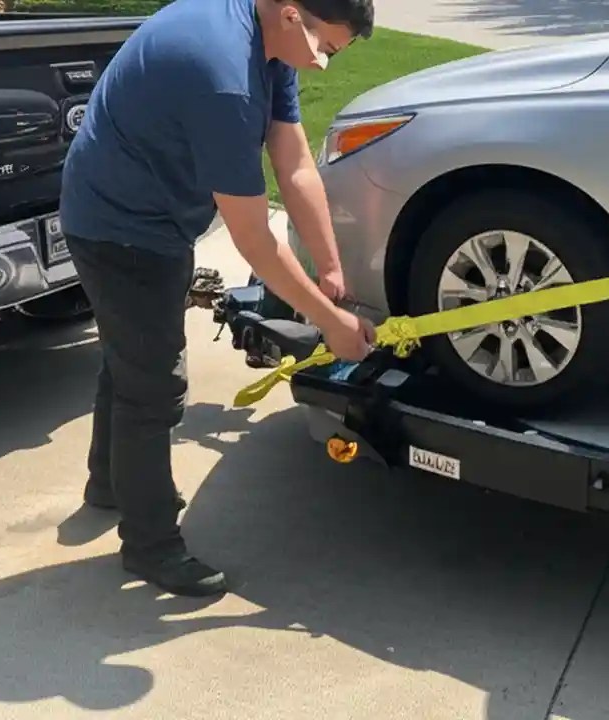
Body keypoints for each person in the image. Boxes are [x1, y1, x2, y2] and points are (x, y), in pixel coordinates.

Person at [59, 0, 377, 597]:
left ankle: (110, 485)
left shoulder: (268, 38)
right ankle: (150, 546)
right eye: (327, 50)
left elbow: (294, 159)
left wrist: (332, 268)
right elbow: (254, 239)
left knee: (129, 360)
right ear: (293, 15)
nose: (325, 66)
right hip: (120, 227)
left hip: (146, 213)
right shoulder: (225, 77)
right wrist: (328, 320)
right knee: (154, 385)